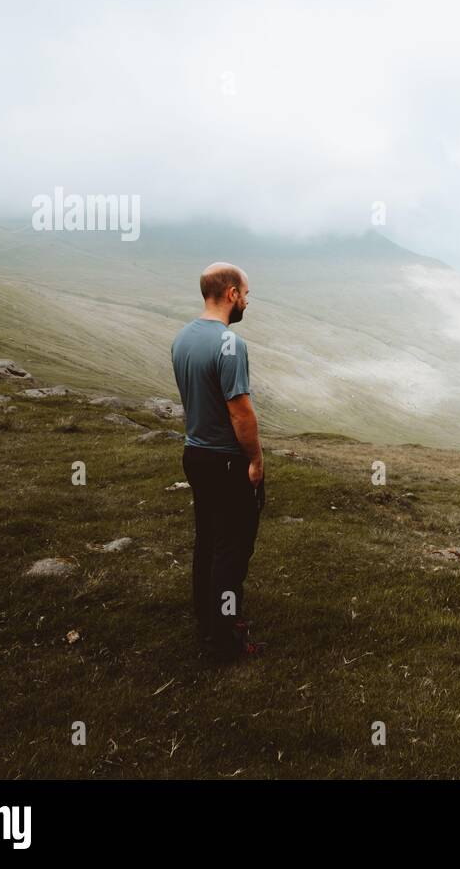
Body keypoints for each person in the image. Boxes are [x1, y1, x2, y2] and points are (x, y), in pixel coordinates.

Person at [170, 262, 266, 661]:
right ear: (230, 294)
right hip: (227, 462)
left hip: (195, 455)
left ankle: (207, 618)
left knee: (208, 540)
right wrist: (256, 459)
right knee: (232, 548)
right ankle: (225, 639)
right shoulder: (230, 344)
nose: (246, 301)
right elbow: (240, 412)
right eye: (245, 294)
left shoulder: (182, 338)